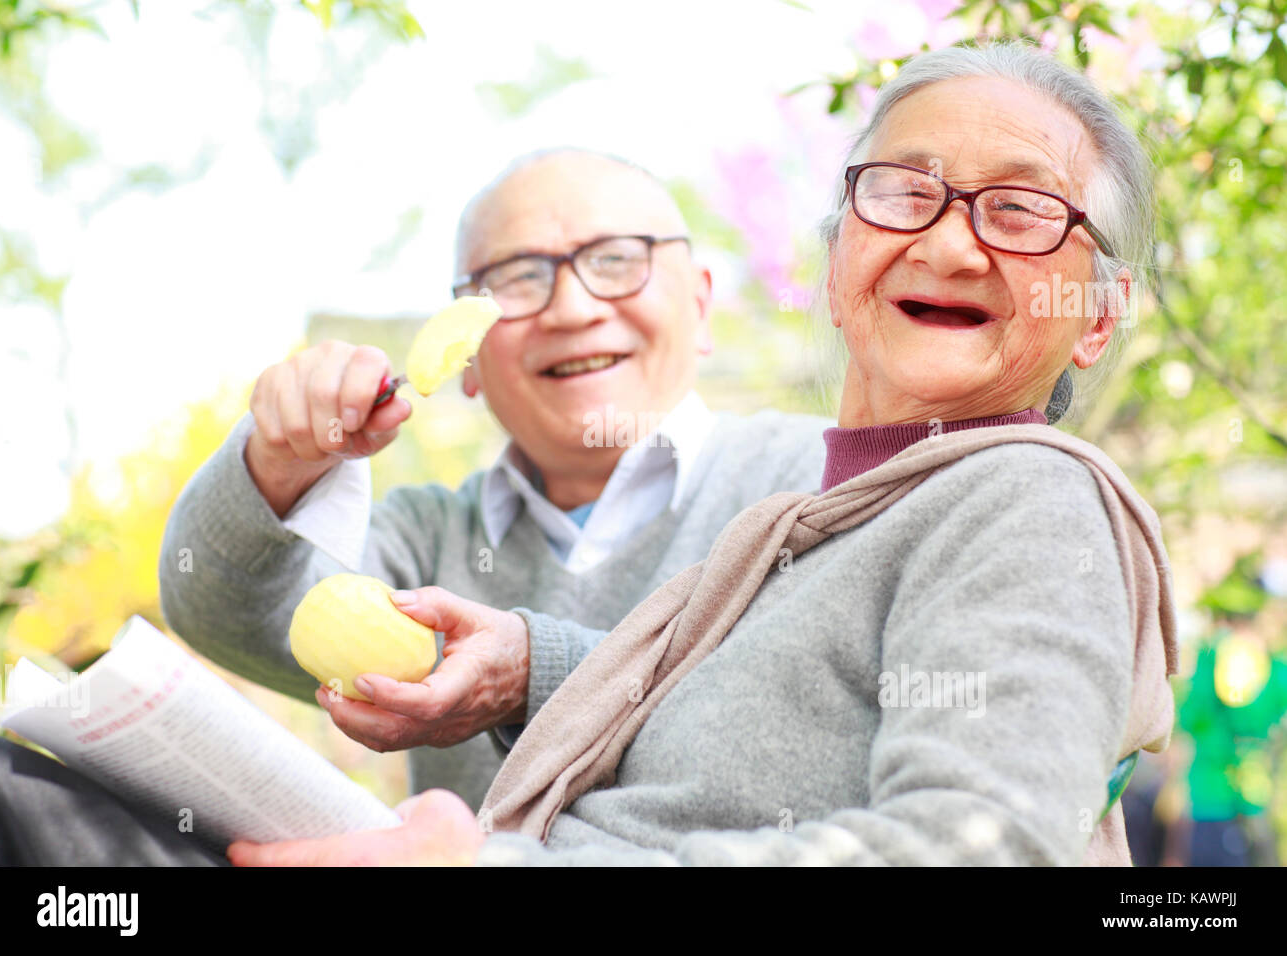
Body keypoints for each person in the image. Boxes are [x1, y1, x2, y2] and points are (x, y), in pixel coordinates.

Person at [228, 39, 1182, 867]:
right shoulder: (808, 522)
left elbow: (982, 850)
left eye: (1019, 211)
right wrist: (531, 667)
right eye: (904, 191)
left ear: (1095, 318)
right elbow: (781, 718)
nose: (951, 244)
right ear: (841, 255)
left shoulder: (1024, 500)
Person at [154, 148, 832, 810]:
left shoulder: (821, 482)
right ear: (466, 356)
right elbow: (227, 612)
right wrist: (277, 458)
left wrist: (537, 674)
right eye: (517, 278)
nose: (572, 308)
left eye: (617, 260)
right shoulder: (424, 543)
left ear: (701, 306)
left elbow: (815, 729)